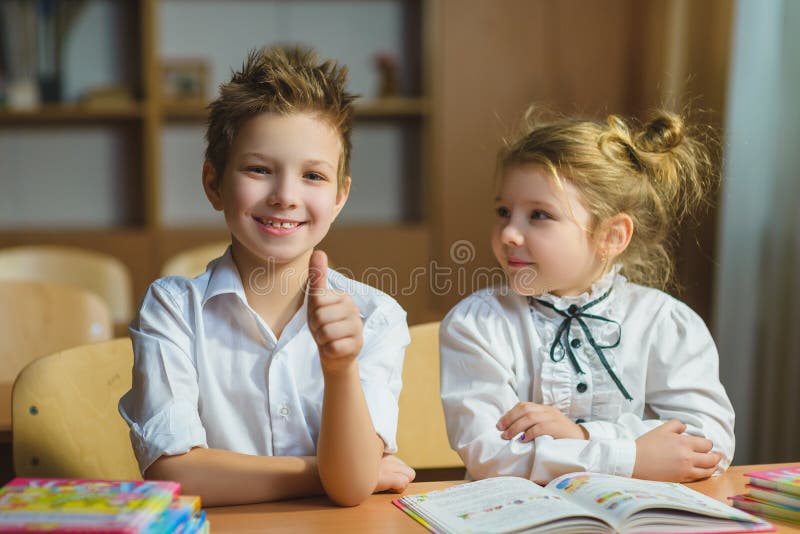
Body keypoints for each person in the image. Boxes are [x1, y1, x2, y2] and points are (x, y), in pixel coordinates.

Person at [119, 46, 415, 507]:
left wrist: (340, 369)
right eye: (259, 169)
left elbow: (353, 490)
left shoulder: (375, 317)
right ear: (213, 183)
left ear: (340, 196)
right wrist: (325, 472)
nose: (285, 195)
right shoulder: (172, 308)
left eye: (313, 176)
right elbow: (173, 473)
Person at [439, 108, 735, 484]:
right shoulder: (478, 324)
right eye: (503, 211)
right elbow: (493, 457)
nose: (509, 233)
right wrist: (634, 457)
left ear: (611, 236)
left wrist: (584, 437)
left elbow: (709, 446)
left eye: (539, 215)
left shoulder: (665, 323)